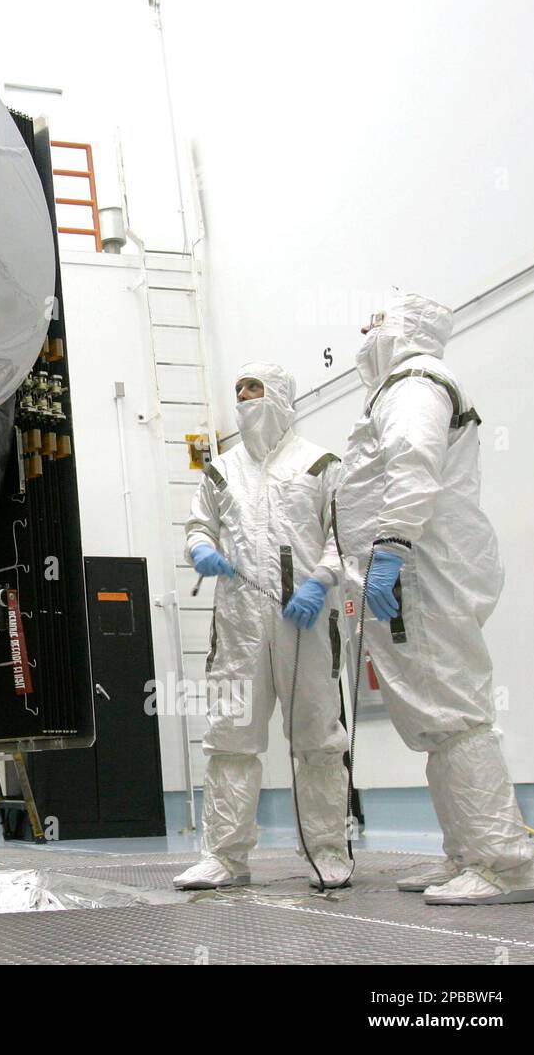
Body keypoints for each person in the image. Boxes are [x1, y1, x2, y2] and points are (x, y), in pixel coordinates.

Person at [335, 292, 534, 905]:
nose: (363, 335)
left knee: (452, 715)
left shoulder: (414, 383)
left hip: (419, 571)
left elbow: (413, 463)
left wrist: (392, 545)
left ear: (401, 332)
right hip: (414, 571)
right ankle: (468, 854)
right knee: (435, 720)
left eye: (374, 324)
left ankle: (504, 866)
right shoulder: (403, 385)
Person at [173, 362, 352, 890]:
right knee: (230, 737)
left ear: (280, 394)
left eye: (254, 387)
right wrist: (201, 547)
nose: (245, 396)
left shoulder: (320, 464)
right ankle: (224, 858)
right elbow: (198, 524)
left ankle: (328, 851)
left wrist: (321, 580)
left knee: (318, 738)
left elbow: (345, 534)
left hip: (308, 620)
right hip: (239, 621)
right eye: (238, 388)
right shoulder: (221, 470)